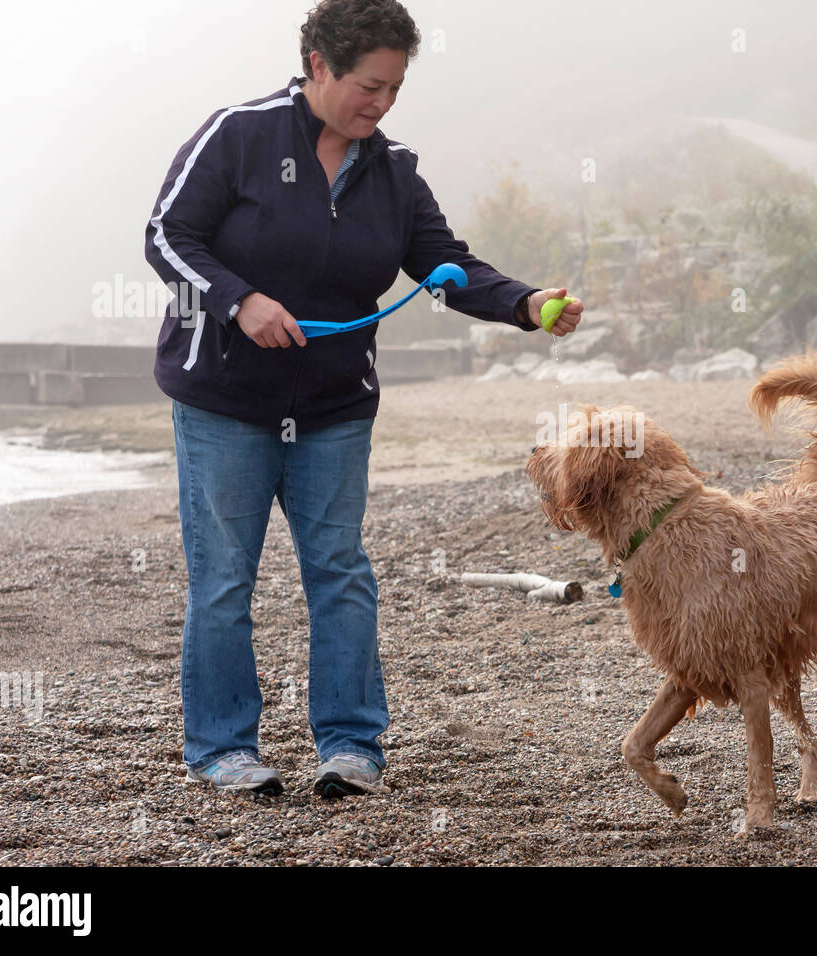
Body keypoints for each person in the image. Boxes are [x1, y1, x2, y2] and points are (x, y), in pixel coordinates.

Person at [143, 0, 582, 798]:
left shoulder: (394, 168)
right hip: (224, 402)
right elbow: (169, 235)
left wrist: (522, 303)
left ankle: (352, 746)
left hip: (335, 408)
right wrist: (241, 300)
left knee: (340, 571)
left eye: (394, 89)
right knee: (223, 579)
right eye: (367, 85)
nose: (379, 104)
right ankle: (222, 748)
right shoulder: (238, 135)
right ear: (318, 65)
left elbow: (444, 264)